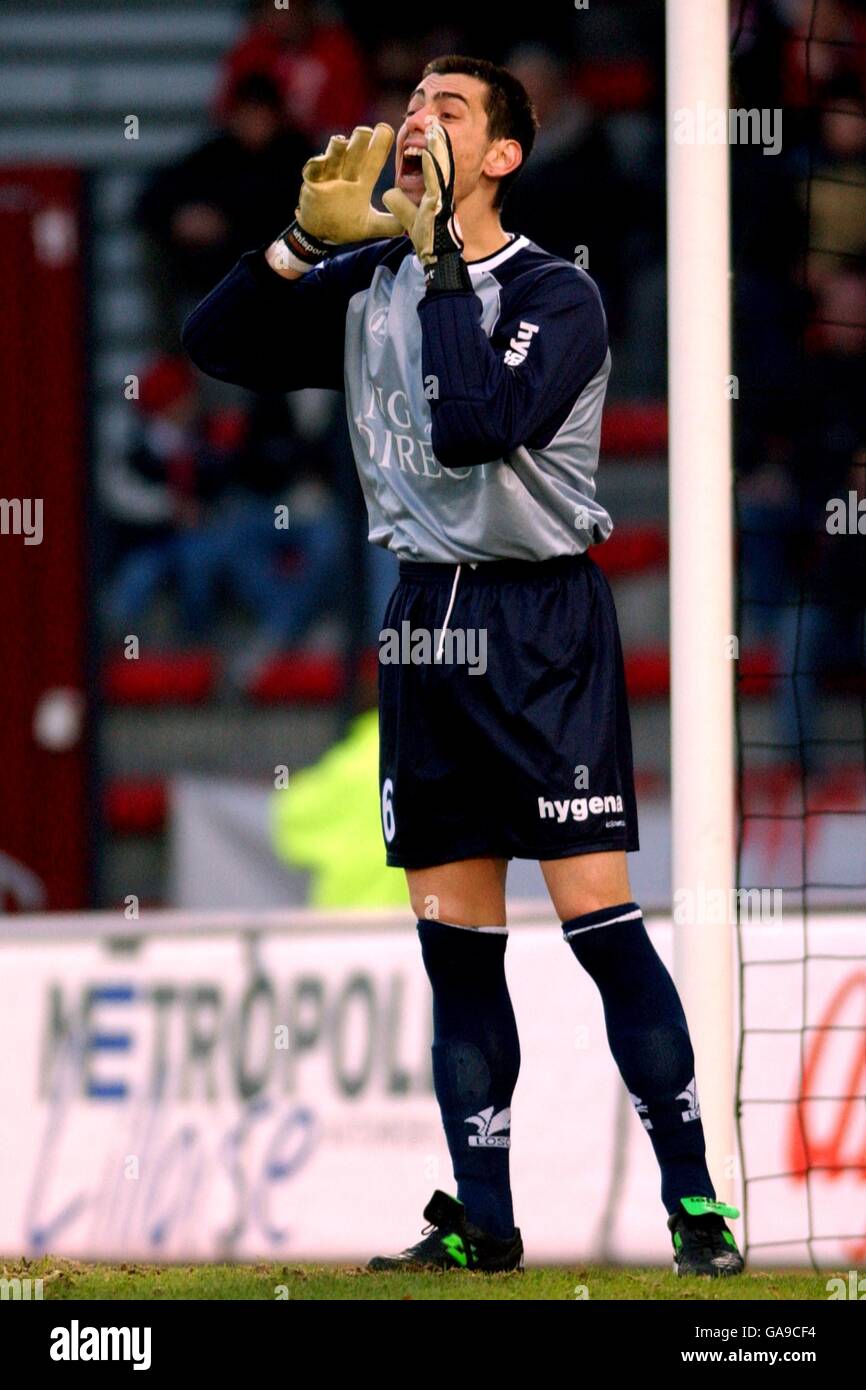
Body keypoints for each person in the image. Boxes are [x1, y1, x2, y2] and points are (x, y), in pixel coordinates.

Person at [182, 54, 745, 1279]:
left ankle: (695, 1205)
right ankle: (482, 1220)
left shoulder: (558, 293)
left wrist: (433, 256)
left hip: (540, 625)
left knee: (601, 931)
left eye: (450, 108)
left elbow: (473, 419)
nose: (415, 122)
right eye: (410, 104)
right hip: (422, 630)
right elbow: (209, 343)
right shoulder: (369, 281)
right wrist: (289, 244)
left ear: (501, 156)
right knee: (456, 955)